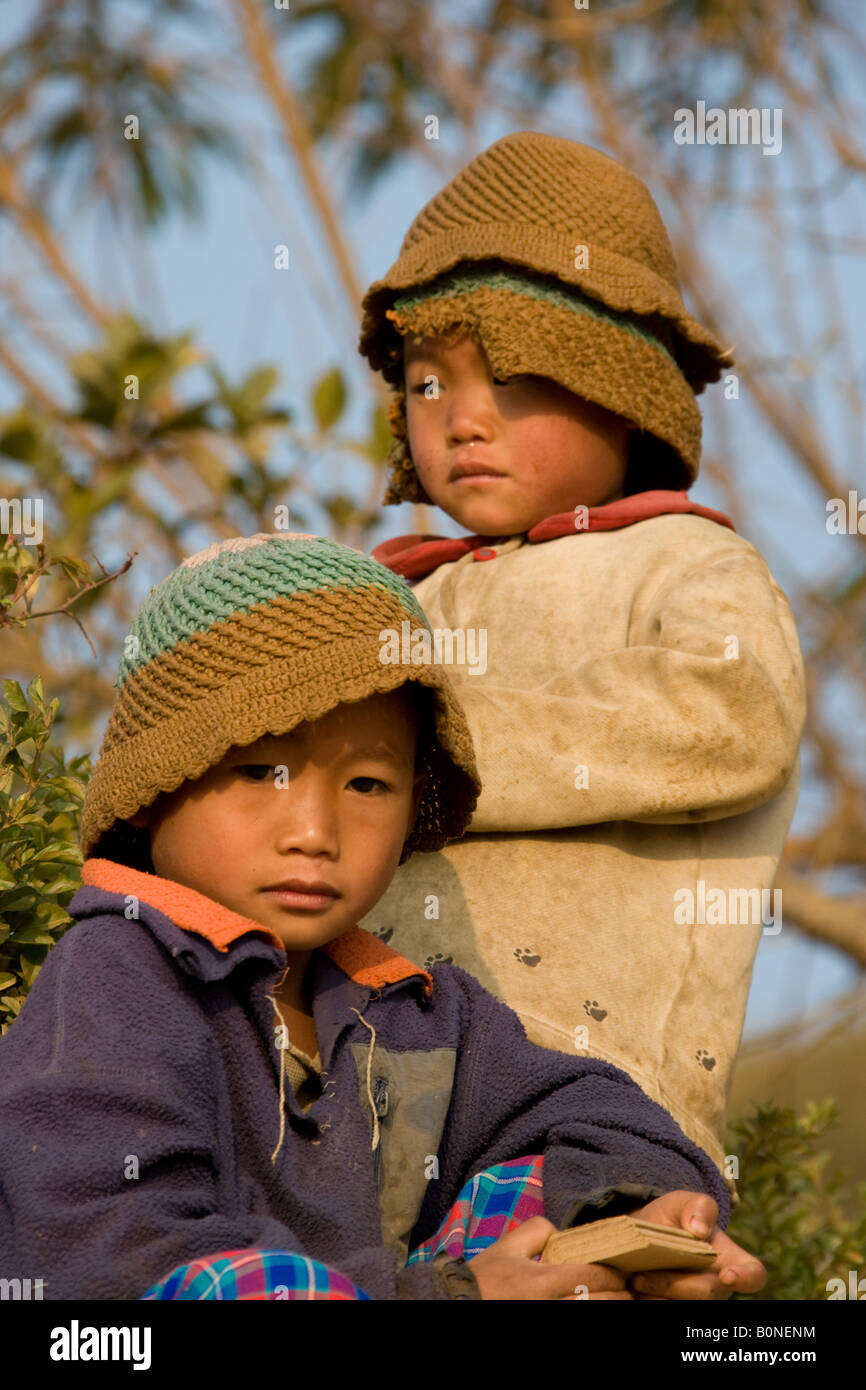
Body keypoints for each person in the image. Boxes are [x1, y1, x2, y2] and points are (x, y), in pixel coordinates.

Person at [0, 532, 765, 1300]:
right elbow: (112, 1256)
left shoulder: (421, 1014)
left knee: (549, 1190)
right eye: (260, 770)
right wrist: (452, 1297)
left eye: (367, 784)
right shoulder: (117, 976)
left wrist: (640, 1217)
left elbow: (595, 1113)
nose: (315, 833)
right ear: (152, 785)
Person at [359, 130, 807, 1200]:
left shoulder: (685, 560)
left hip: (592, 1092)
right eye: (428, 384)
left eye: (511, 376)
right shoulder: (401, 599)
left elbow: (729, 715)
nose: (462, 420)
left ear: (624, 389)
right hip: (374, 1088)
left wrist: (424, 751)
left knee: (565, 1248)